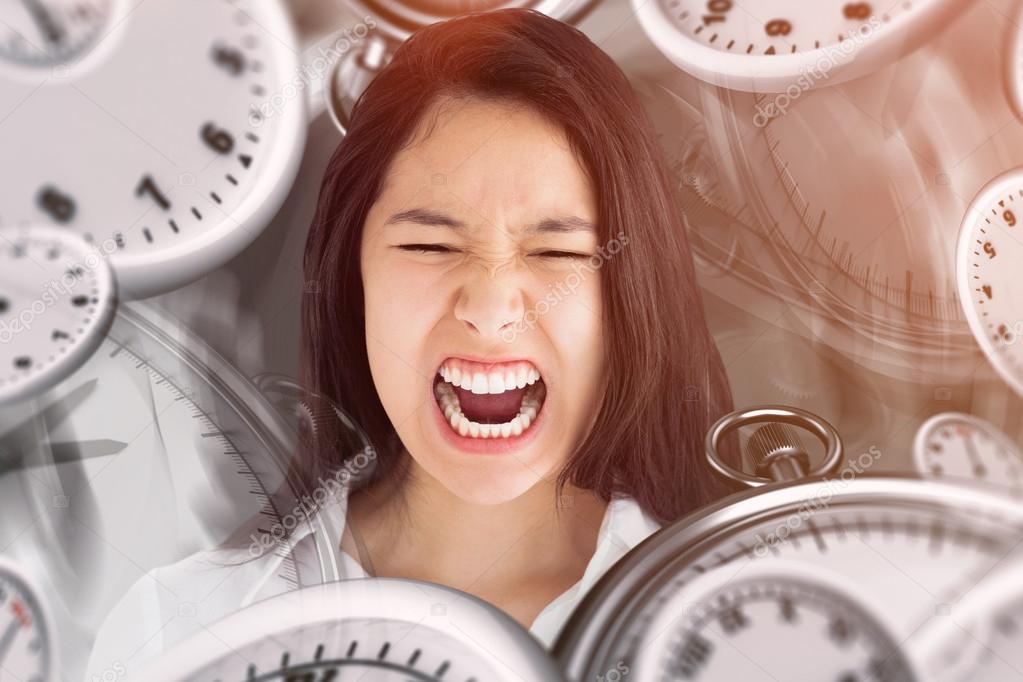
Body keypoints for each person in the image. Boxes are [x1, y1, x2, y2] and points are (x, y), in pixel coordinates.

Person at [86, 7, 736, 676]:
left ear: (631, 289)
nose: (488, 309)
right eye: (430, 244)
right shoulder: (179, 626)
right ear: (350, 275)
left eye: (556, 250)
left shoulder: (740, 623)